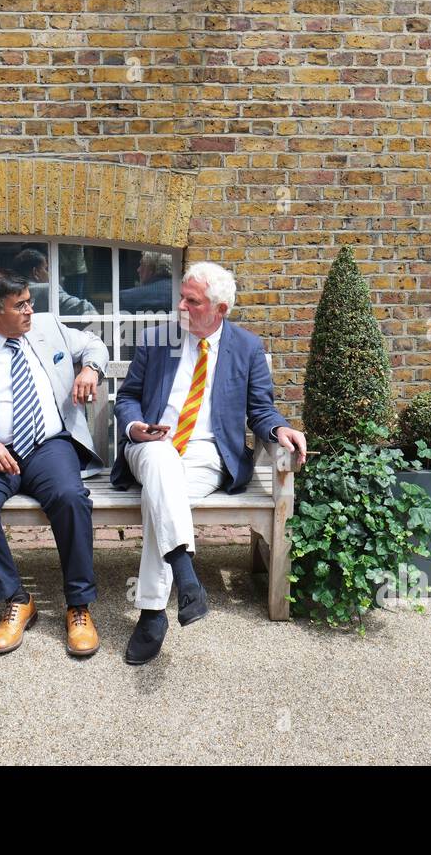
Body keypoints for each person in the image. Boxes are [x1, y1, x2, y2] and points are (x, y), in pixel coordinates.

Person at [112, 261, 307, 665]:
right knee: (161, 460)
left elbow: (260, 410)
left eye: (192, 301)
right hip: (149, 445)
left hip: (205, 456)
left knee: (163, 497)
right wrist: (135, 426)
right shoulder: (156, 340)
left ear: (220, 309)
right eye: (180, 297)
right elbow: (128, 397)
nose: (180, 307)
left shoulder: (246, 347)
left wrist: (279, 431)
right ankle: (181, 580)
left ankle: (154, 613)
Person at [0, 270, 110, 658]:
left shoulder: (49, 328)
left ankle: (78, 606)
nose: (30, 310)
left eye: (30, 302)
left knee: (69, 495)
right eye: (20, 305)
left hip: (48, 445)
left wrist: (90, 368)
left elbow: (94, 343)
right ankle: (16, 599)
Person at [11, 247, 98, 316]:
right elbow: (85, 308)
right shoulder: (48, 290)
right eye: (47, 269)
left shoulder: (7, 291)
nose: (50, 274)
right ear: (35, 272)